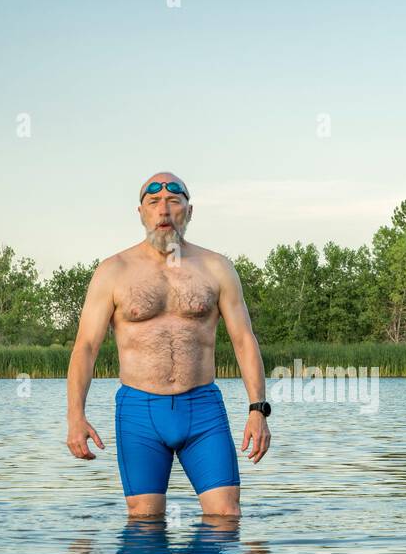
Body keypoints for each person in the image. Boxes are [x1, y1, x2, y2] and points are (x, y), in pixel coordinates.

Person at [65, 172, 271, 517]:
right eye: (154, 202)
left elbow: (243, 339)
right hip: (138, 410)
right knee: (145, 521)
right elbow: (85, 346)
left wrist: (258, 410)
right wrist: (75, 416)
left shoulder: (217, 268)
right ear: (141, 213)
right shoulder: (112, 271)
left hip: (202, 408)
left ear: (189, 212)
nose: (164, 210)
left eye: (174, 202)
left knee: (226, 515)